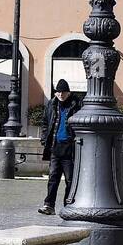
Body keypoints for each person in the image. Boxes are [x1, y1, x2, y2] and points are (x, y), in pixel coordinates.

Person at [39, 79, 84, 216]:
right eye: (58, 92)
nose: (60, 95)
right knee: (53, 177)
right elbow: (45, 122)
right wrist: (44, 138)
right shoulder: (52, 104)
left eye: (63, 92)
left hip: (69, 148)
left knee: (70, 179)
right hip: (55, 146)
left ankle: (68, 205)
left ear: (68, 92)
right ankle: (49, 205)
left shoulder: (76, 104)